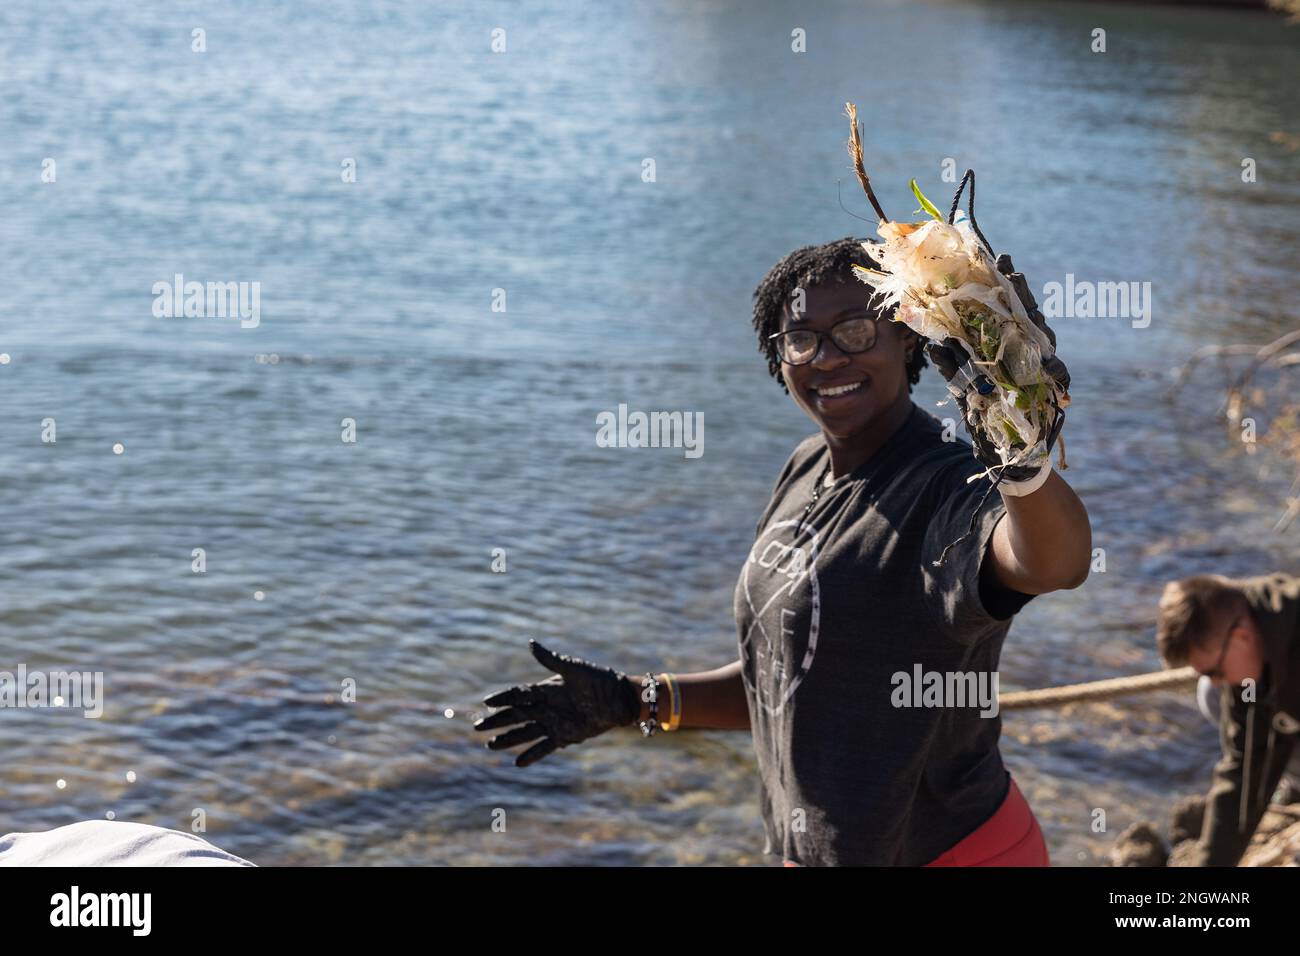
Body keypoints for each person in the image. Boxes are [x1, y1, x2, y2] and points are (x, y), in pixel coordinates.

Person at [474, 237, 1092, 865]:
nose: (825, 358)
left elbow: (1051, 564)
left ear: (907, 337)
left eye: (854, 330)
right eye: (801, 338)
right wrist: (637, 701)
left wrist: (1023, 466)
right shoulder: (806, 469)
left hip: (951, 852)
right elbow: (794, 679)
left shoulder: (947, 486)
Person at [1155, 572, 1300, 866]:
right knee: (1210, 695)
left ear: (1241, 637)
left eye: (1214, 671)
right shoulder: (1250, 662)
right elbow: (1244, 773)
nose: (1218, 681)